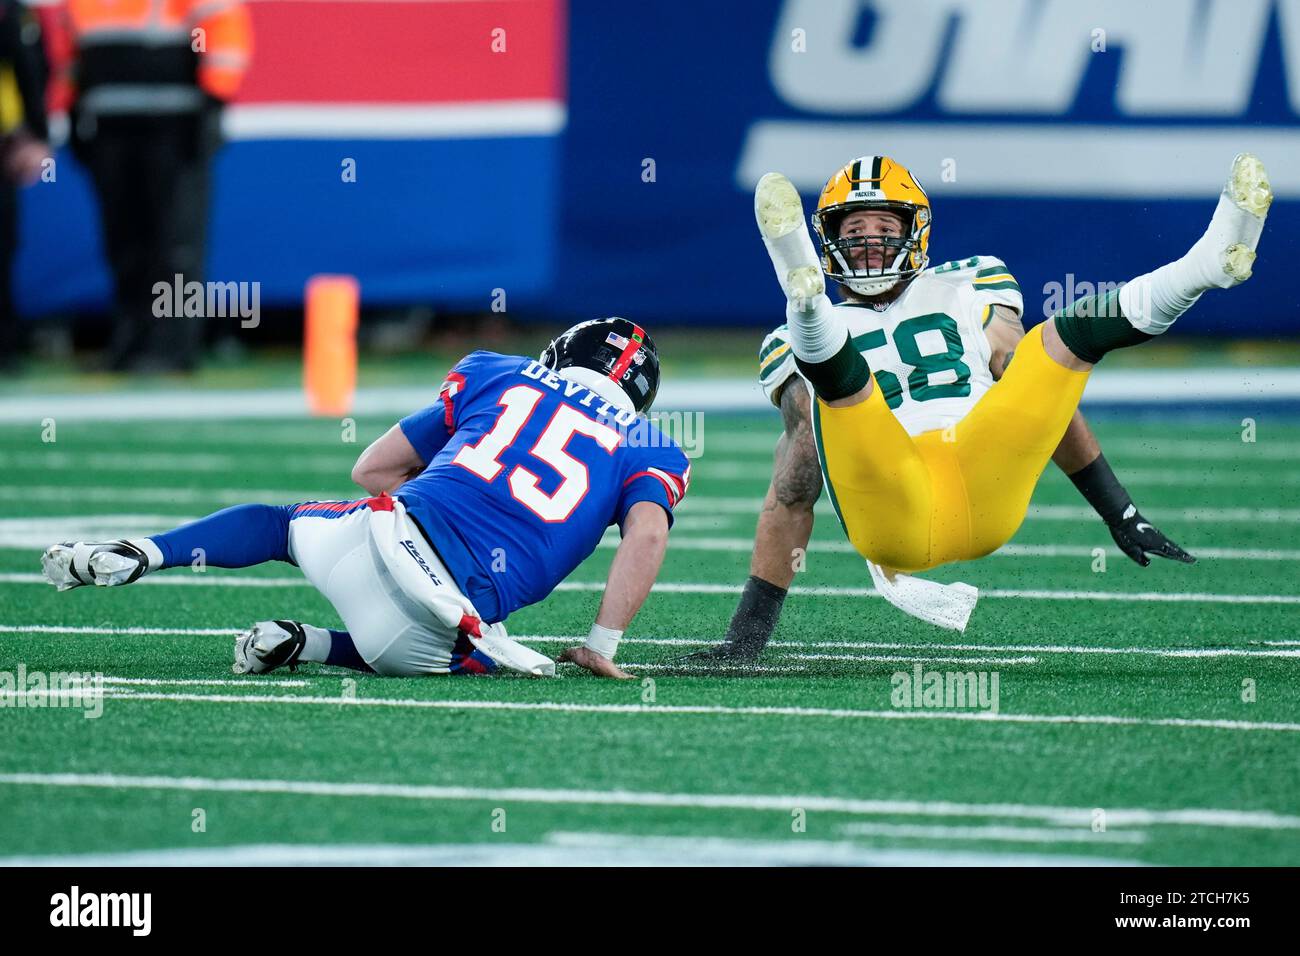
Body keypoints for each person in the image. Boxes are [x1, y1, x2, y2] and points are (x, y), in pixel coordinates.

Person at [691, 152, 1269, 661]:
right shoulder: (782, 346)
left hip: (982, 477)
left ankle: (1205, 267)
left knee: (1049, 348)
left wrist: (1118, 510)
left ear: (914, 233)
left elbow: (1037, 399)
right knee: (847, 395)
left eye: (883, 226)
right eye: (855, 227)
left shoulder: (970, 285)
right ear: (830, 240)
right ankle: (810, 308)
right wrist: (748, 637)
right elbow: (796, 484)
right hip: (894, 513)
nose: (868, 240)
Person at [41, 318, 690, 679]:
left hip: (375, 537)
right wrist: (601, 644)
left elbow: (372, 469)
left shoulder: (500, 370)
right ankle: (317, 646)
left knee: (277, 525)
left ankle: (142, 553)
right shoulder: (650, 446)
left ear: (560, 354)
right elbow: (649, 536)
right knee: (472, 654)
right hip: (434, 636)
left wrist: (449, 492)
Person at [52, 0, 251, 372]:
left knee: (176, 242)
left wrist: (212, 102)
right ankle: (129, 346)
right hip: (109, 127)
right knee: (125, 243)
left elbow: (224, 30)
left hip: (175, 126)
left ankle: (173, 349)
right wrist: (71, 107)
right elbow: (71, 53)